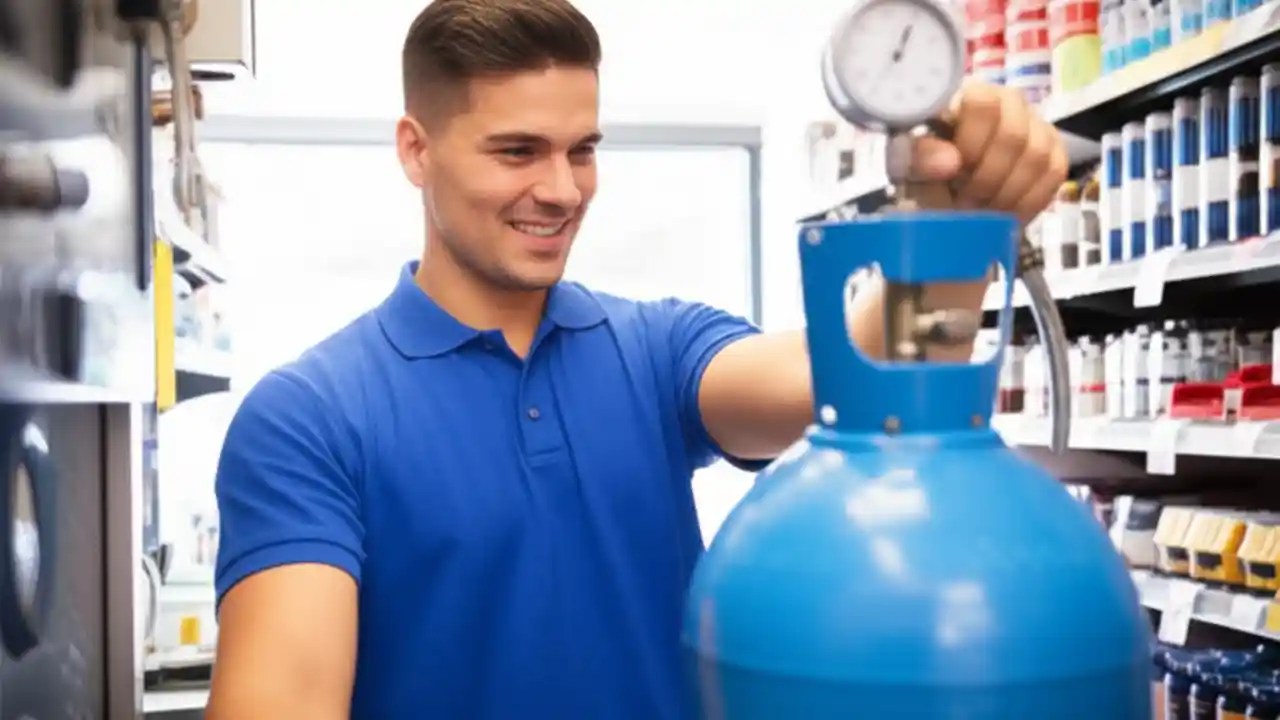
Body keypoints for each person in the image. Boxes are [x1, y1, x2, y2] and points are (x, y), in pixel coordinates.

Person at [205, 0, 1069, 718]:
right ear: (415, 150)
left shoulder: (653, 352)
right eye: (518, 151)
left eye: (582, 150)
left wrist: (959, 240)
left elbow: (850, 379)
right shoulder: (310, 417)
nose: (561, 189)